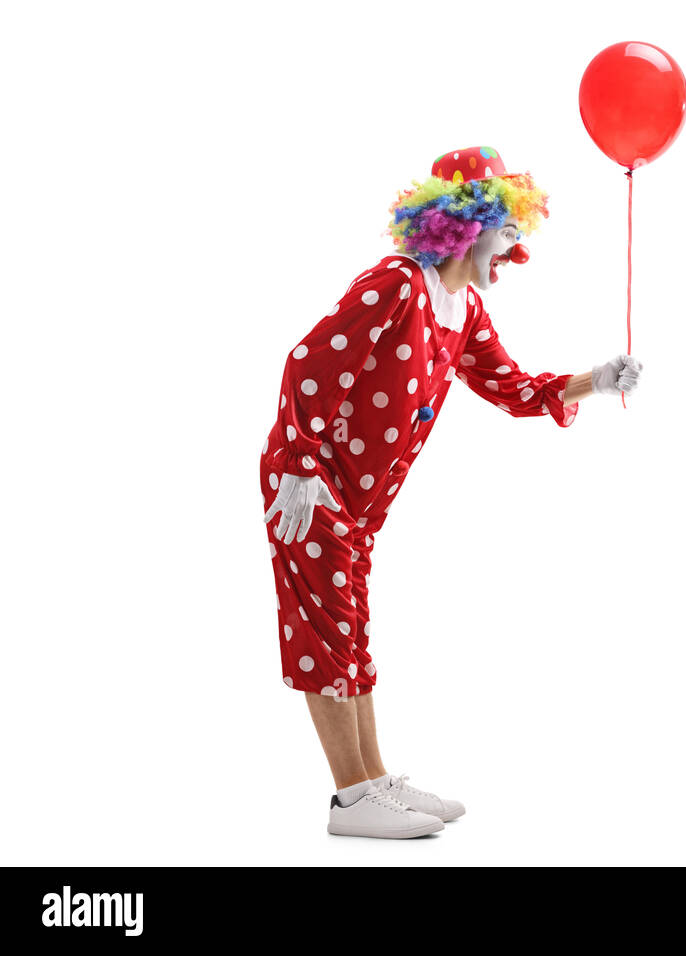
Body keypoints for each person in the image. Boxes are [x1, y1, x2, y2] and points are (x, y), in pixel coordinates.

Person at [260, 146, 643, 839]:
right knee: (327, 628)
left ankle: (372, 782)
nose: (515, 246)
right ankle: (351, 800)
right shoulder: (398, 284)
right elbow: (309, 364)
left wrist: (597, 378)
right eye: (507, 230)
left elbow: (511, 387)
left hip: (358, 499)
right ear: (466, 225)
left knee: (350, 630)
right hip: (311, 482)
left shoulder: (458, 306)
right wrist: (298, 464)